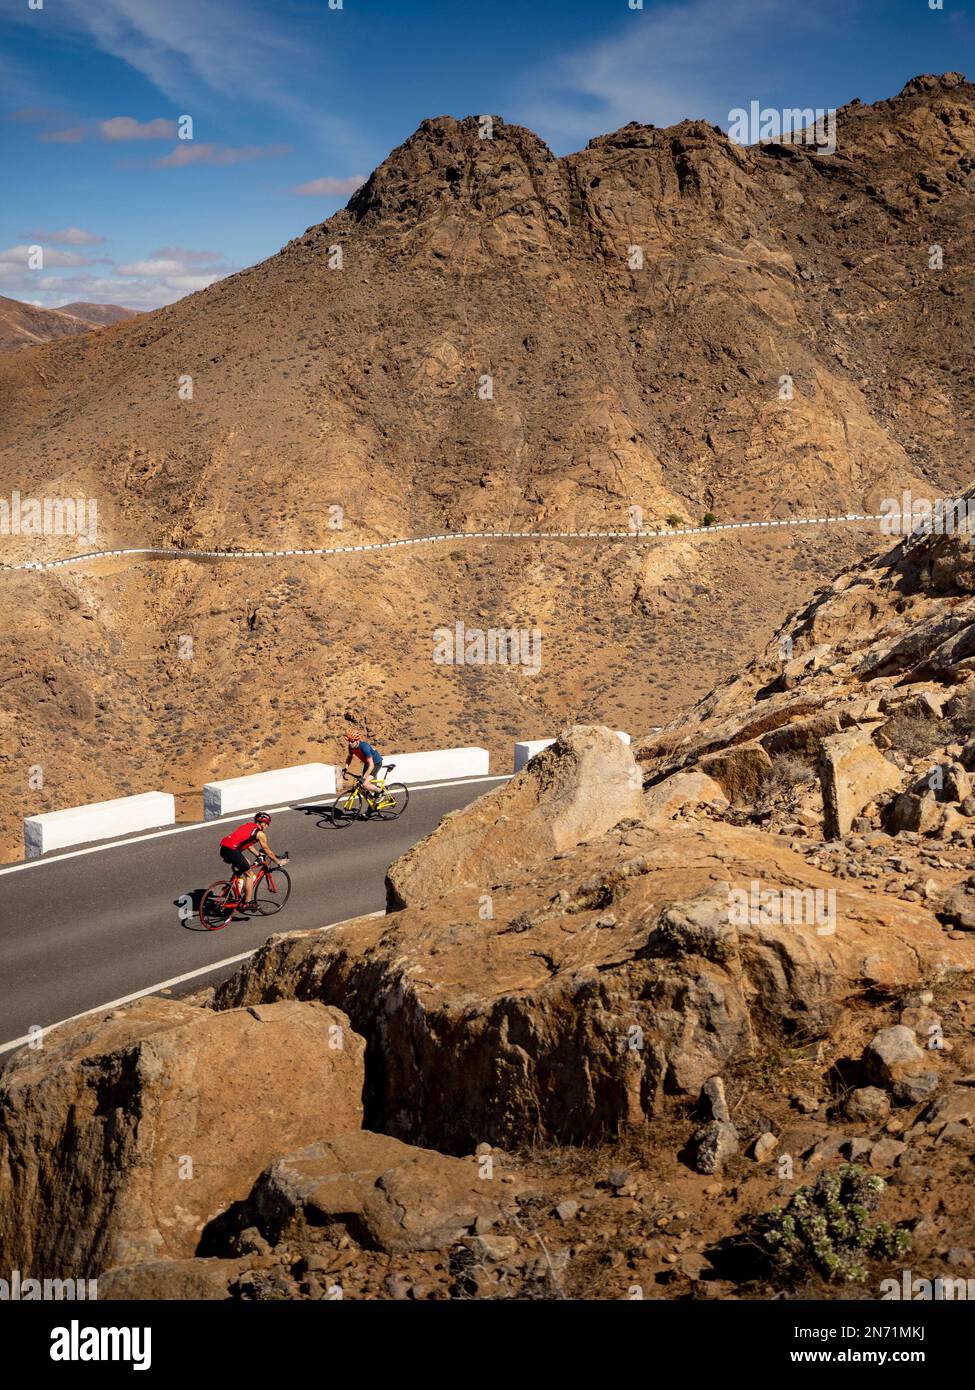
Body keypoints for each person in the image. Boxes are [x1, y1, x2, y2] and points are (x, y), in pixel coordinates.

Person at [218, 812, 287, 910]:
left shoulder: (248, 826)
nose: (267, 827)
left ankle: (229, 888)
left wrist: (258, 855)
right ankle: (247, 903)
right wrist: (279, 862)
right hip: (233, 851)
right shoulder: (260, 834)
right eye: (267, 824)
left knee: (246, 864)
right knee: (249, 874)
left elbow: (248, 844)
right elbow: (268, 851)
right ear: (263, 824)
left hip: (224, 848)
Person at [344, 729, 383, 801]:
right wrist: (346, 768)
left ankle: (380, 791)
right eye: (349, 741)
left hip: (375, 763)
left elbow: (372, 765)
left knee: (365, 784)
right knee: (362, 788)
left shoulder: (364, 747)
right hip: (367, 763)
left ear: (357, 740)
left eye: (352, 741)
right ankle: (372, 803)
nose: (350, 743)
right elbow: (350, 757)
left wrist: (363, 778)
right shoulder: (351, 747)